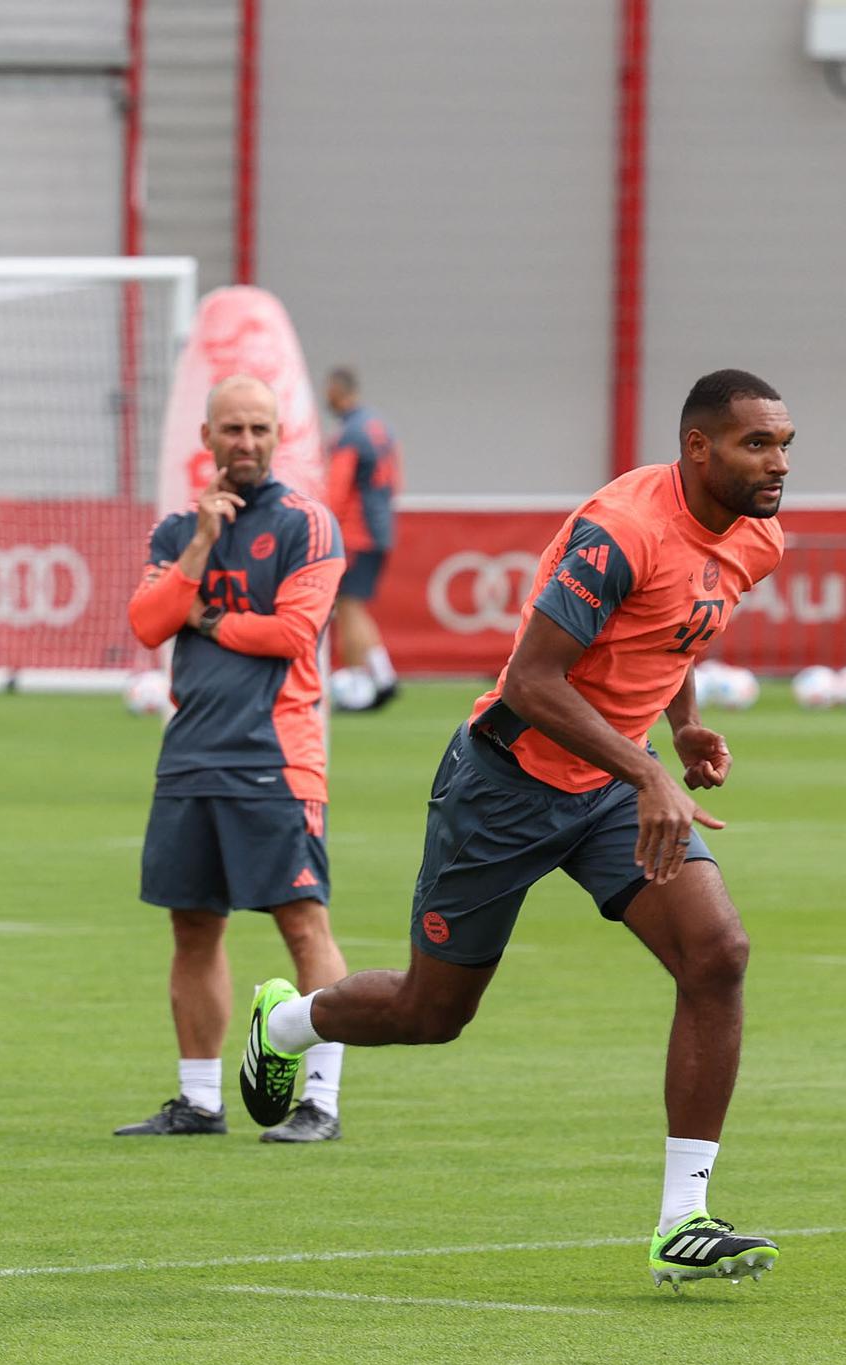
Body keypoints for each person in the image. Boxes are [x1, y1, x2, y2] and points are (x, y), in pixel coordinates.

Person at [244, 370, 791, 1287]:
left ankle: (682, 1220)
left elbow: (673, 631)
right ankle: (289, 1022)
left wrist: (684, 725)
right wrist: (649, 770)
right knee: (432, 1014)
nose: (778, 464)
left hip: (611, 788)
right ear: (699, 448)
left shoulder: (758, 536)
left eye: (784, 445)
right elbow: (533, 681)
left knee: (718, 954)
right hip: (505, 783)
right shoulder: (619, 531)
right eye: (757, 445)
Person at [120, 376, 349, 1145]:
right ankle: (199, 1102)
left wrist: (208, 617)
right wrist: (199, 545)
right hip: (190, 756)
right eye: (232, 429)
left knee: (303, 922)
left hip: (274, 757)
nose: (245, 442)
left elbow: (293, 633)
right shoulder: (176, 532)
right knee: (192, 927)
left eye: (258, 428)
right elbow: (149, 623)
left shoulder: (306, 525)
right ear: (207, 438)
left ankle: (321, 1101)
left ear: (278, 435)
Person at [320, 367, 402, 711]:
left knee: (348, 606)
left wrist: (324, 527)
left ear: (338, 391)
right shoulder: (379, 427)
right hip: (379, 527)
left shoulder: (349, 434)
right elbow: (395, 479)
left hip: (355, 532)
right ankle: (383, 677)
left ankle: (358, 684)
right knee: (354, 605)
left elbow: (337, 490)